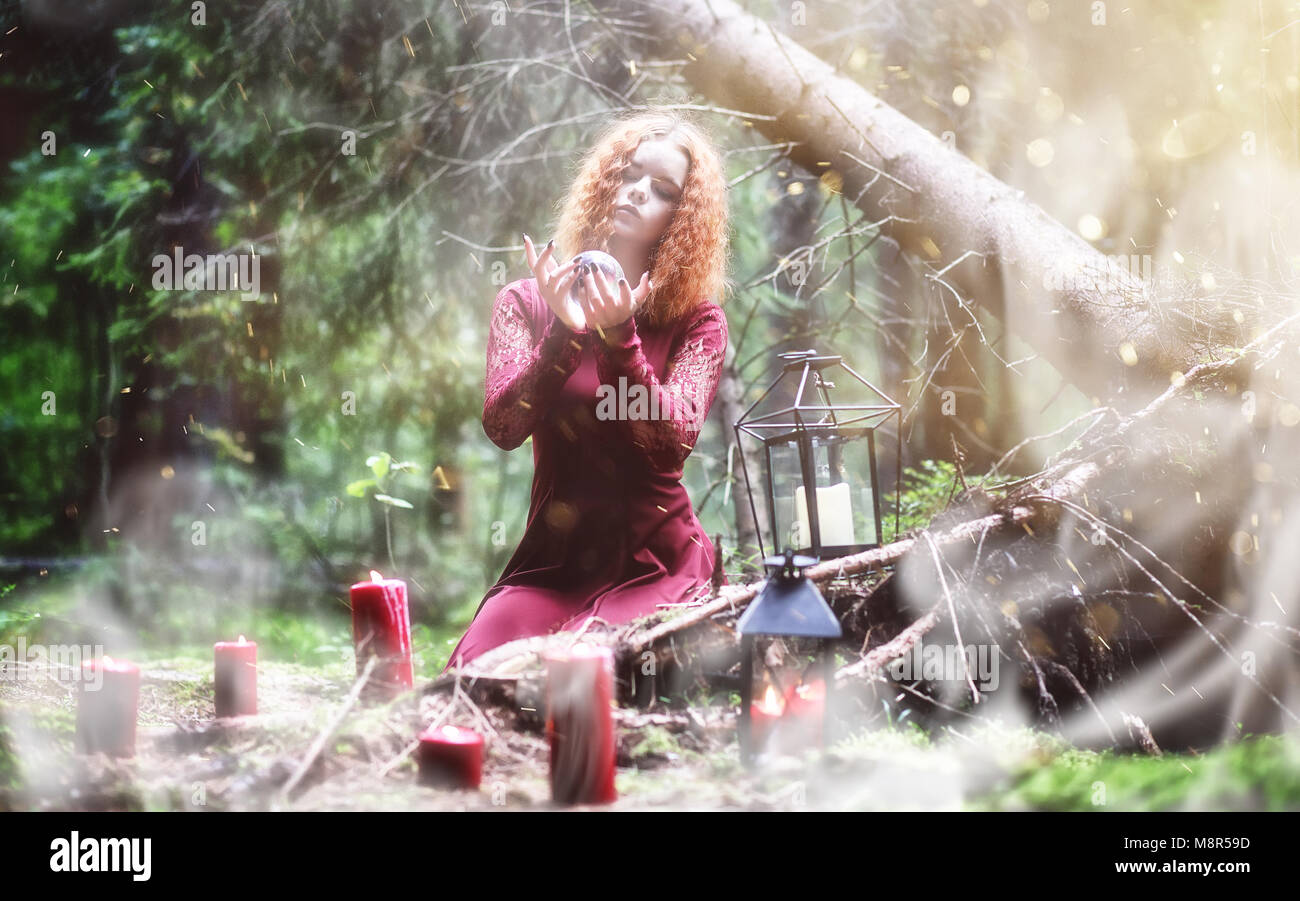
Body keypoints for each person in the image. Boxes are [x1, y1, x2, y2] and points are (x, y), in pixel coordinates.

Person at [441, 109, 732, 673]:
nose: (638, 192)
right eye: (630, 173)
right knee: (475, 674)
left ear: (683, 218)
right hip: (553, 566)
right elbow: (504, 429)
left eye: (664, 190)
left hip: (656, 561)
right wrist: (565, 335)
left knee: (593, 672)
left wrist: (620, 338)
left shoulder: (699, 320)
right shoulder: (527, 302)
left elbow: (671, 443)